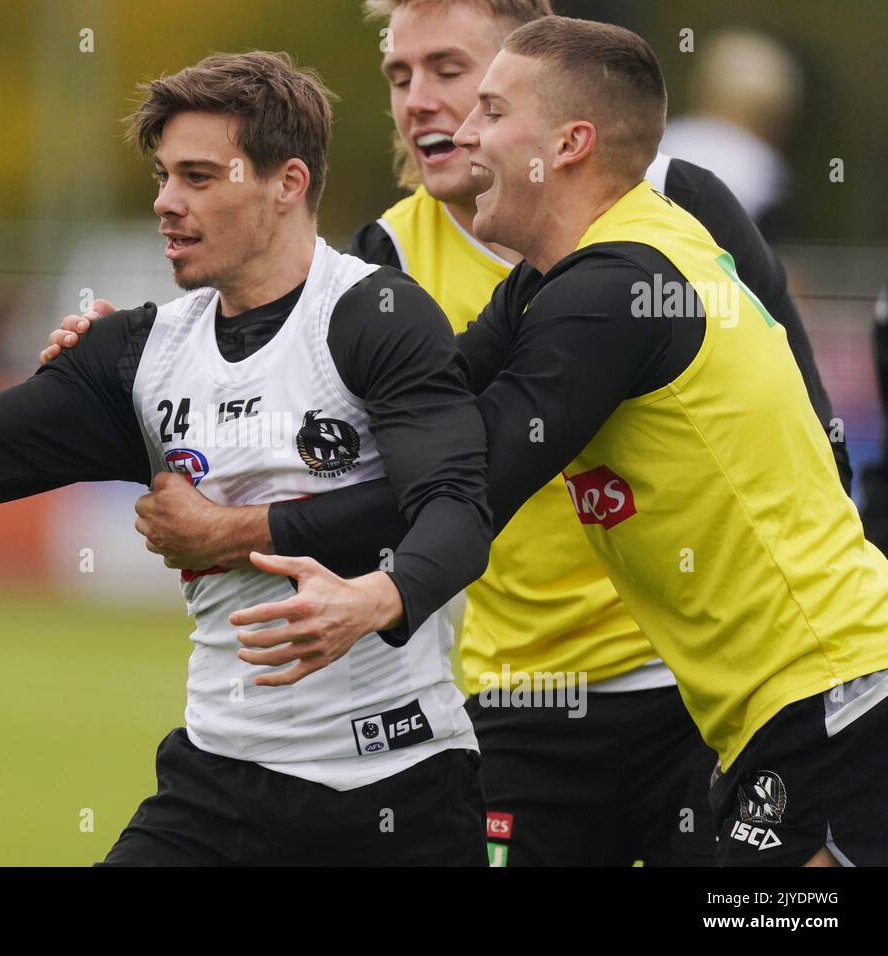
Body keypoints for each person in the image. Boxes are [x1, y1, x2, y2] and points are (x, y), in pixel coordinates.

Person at [42, 0, 850, 868]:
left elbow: (476, 477)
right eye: (400, 74)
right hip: (522, 699)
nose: (423, 101)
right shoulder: (396, 266)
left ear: (545, 100)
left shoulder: (659, 220)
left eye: (459, 79)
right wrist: (134, 361)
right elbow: (346, 435)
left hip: (712, 690)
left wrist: (271, 546)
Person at [0, 51, 495, 866]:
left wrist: (376, 599)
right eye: (164, 176)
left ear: (287, 183)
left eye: (201, 177)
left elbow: (457, 507)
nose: (166, 203)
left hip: (400, 786)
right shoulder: (136, 351)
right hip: (218, 789)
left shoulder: (377, 316)